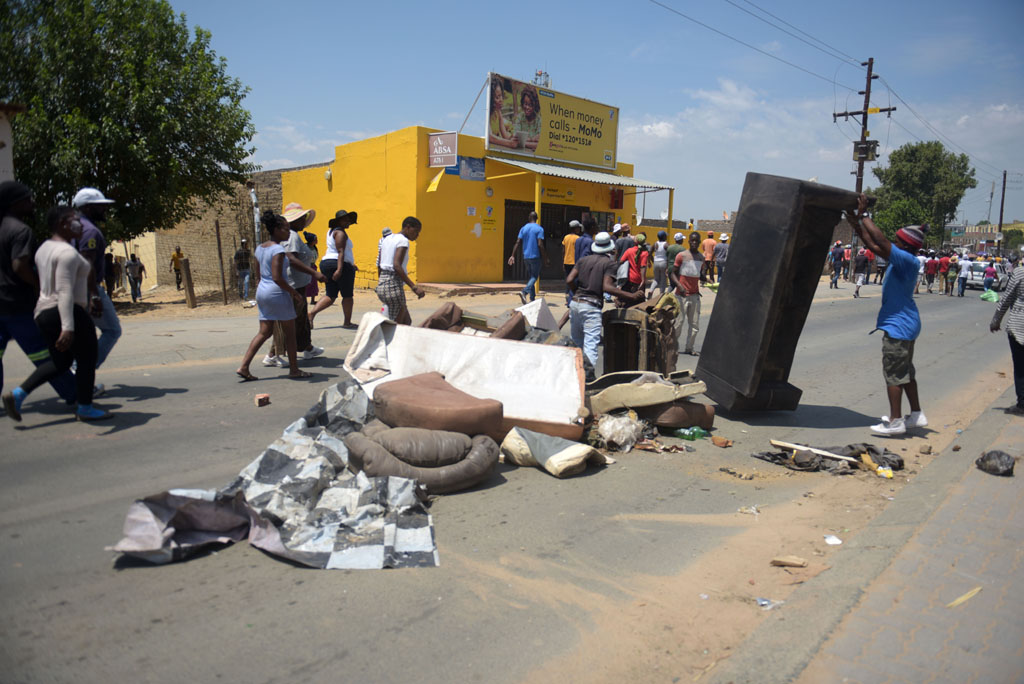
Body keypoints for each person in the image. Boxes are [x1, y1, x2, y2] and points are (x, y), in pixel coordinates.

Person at [3, 206, 110, 421]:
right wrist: (68, 328)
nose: (80, 224)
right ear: (62, 223)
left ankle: (18, 394)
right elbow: (64, 290)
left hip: (43, 313)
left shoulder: (44, 248)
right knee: (87, 358)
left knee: (60, 362)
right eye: (75, 220)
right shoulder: (67, 253)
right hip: (67, 311)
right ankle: (85, 408)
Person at [847, 194, 927, 436]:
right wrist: (856, 224)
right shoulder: (902, 260)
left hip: (899, 326)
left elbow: (880, 239)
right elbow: (874, 245)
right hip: (907, 324)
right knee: (906, 372)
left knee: (894, 375)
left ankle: (895, 421)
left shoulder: (907, 260)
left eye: (897, 240)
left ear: (905, 245)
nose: (892, 242)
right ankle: (916, 414)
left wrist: (864, 215)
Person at [0, 182, 76, 408]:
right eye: (28, 199)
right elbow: (19, 266)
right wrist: (39, 286)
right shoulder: (20, 231)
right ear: (15, 203)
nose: (32, 203)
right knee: (44, 354)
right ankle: (73, 393)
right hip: (17, 305)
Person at [236, 211, 312, 381]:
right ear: (276, 230)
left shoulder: (260, 248)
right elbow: (277, 277)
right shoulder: (278, 249)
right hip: (277, 292)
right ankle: (294, 369)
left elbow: (258, 274)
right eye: (285, 228)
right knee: (290, 333)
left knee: (264, 331)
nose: (288, 232)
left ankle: (244, 366)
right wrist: (294, 293)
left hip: (263, 291)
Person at [566, 231, 645, 380]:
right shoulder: (609, 264)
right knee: (590, 346)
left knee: (576, 344)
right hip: (591, 306)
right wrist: (631, 296)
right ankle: (587, 380)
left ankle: (573, 377)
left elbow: (569, 279)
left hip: (575, 304)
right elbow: (607, 287)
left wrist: (576, 292)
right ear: (610, 248)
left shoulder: (583, 260)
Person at [262, 203, 325, 367]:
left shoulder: (295, 235)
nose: (304, 221)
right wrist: (314, 273)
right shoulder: (292, 236)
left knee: (301, 319)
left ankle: (307, 347)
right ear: (294, 220)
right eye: (301, 218)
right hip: (293, 284)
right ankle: (273, 354)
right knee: (289, 321)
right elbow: (292, 259)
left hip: (299, 283)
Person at [72, 187, 121, 379]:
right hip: (87, 288)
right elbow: (88, 264)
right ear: (88, 207)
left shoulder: (71, 226)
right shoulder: (90, 231)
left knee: (82, 335)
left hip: (72, 287)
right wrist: (94, 295)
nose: (104, 210)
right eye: (100, 206)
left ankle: (79, 375)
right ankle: (81, 373)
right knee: (112, 330)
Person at [308, 210, 359, 329]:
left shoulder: (331, 232)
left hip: (328, 263)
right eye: (345, 220)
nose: (348, 222)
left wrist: (350, 264)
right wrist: (339, 269)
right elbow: (340, 252)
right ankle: (347, 322)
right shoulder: (340, 233)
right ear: (339, 221)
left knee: (330, 295)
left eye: (349, 220)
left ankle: (311, 313)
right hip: (338, 264)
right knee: (347, 295)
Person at [376, 216, 425, 325]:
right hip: (393, 285)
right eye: (416, 231)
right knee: (396, 326)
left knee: (406, 321)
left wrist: (380, 283)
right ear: (408, 227)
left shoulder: (386, 239)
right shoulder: (403, 241)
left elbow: (379, 264)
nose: (417, 235)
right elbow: (396, 266)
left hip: (382, 284)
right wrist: (414, 287)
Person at [991, 261, 1024, 415]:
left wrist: (996, 321)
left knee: (1020, 367)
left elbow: (1006, 299)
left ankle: (1022, 404)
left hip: (1019, 327)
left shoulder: (1020, 273)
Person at [669, 231, 705, 356]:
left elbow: (700, 275)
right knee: (678, 324)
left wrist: (708, 280)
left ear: (699, 243)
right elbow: (672, 273)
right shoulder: (681, 256)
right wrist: (679, 285)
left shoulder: (701, 258)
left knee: (694, 325)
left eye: (696, 241)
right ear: (689, 241)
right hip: (681, 295)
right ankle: (673, 348)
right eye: (692, 240)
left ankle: (689, 348)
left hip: (695, 296)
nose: (694, 243)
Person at [507, 211, 547, 305]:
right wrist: (545, 257)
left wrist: (512, 255)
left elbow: (518, 242)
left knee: (531, 277)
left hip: (526, 256)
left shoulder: (523, 228)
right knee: (534, 277)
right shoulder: (539, 229)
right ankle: (524, 292)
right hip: (535, 256)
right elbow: (540, 244)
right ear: (537, 219)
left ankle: (532, 298)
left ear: (529, 217)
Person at [487, 75, 516, 148]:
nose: (501, 100)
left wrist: (513, 138)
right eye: (497, 97)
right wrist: (510, 143)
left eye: (501, 96)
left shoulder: (498, 112)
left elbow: (505, 136)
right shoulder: (487, 114)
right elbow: (490, 137)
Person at [513, 85, 541, 151]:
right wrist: (532, 140)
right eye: (525, 104)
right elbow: (515, 138)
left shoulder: (538, 120)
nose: (527, 107)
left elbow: (539, 144)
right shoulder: (520, 117)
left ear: (535, 106)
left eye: (530, 105)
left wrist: (523, 142)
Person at [561, 220, 581, 305]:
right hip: (574, 263)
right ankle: (572, 299)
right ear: (575, 228)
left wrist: (563, 261)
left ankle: (567, 298)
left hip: (566, 262)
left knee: (568, 280)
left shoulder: (566, 237)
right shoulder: (578, 238)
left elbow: (563, 250)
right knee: (575, 281)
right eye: (578, 228)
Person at [303, 231, 320, 305]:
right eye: (315, 239)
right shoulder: (305, 248)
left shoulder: (314, 248)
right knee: (306, 284)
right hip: (307, 267)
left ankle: (313, 300)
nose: (317, 241)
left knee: (313, 283)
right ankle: (304, 299)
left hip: (313, 266)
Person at [651, 230, 669, 296]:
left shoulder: (655, 244)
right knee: (663, 280)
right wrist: (668, 266)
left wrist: (652, 261)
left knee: (656, 279)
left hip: (656, 262)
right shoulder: (666, 244)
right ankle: (661, 294)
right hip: (663, 262)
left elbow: (649, 253)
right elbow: (669, 255)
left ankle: (651, 290)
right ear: (664, 237)